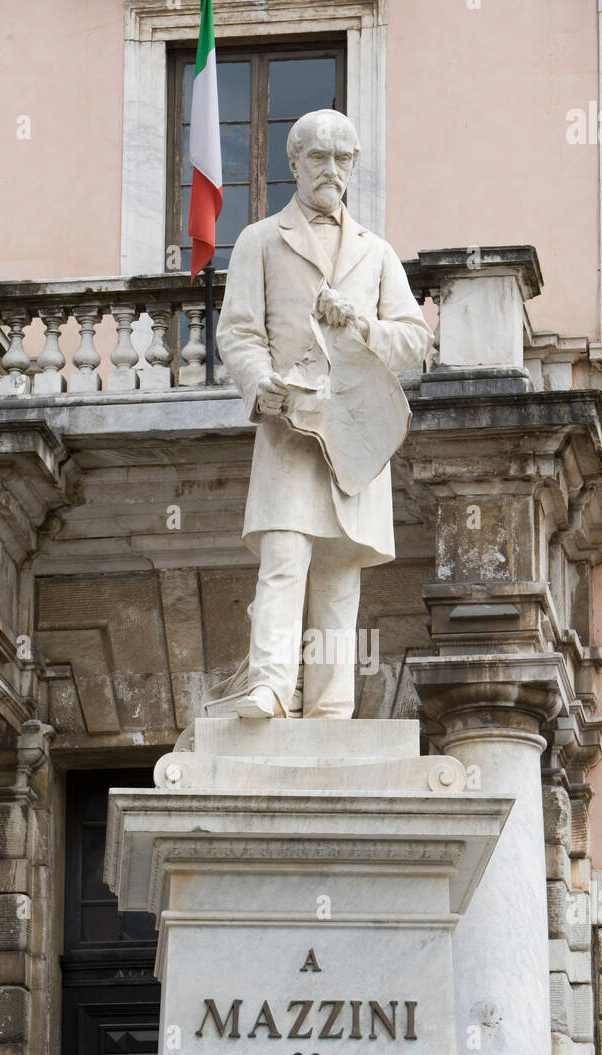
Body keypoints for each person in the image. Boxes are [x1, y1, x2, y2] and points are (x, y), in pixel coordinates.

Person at [216, 109, 432, 719]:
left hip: (354, 436)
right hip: (290, 427)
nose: (331, 169)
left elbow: (414, 339)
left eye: (342, 159)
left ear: (354, 166)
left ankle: (333, 705)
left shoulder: (377, 252)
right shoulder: (260, 240)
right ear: (295, 163)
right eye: (318, 157)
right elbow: (238, 332)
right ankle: (272, 685)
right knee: (285, 555)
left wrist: (361, 325)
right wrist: (263, 387)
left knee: (340, 569)